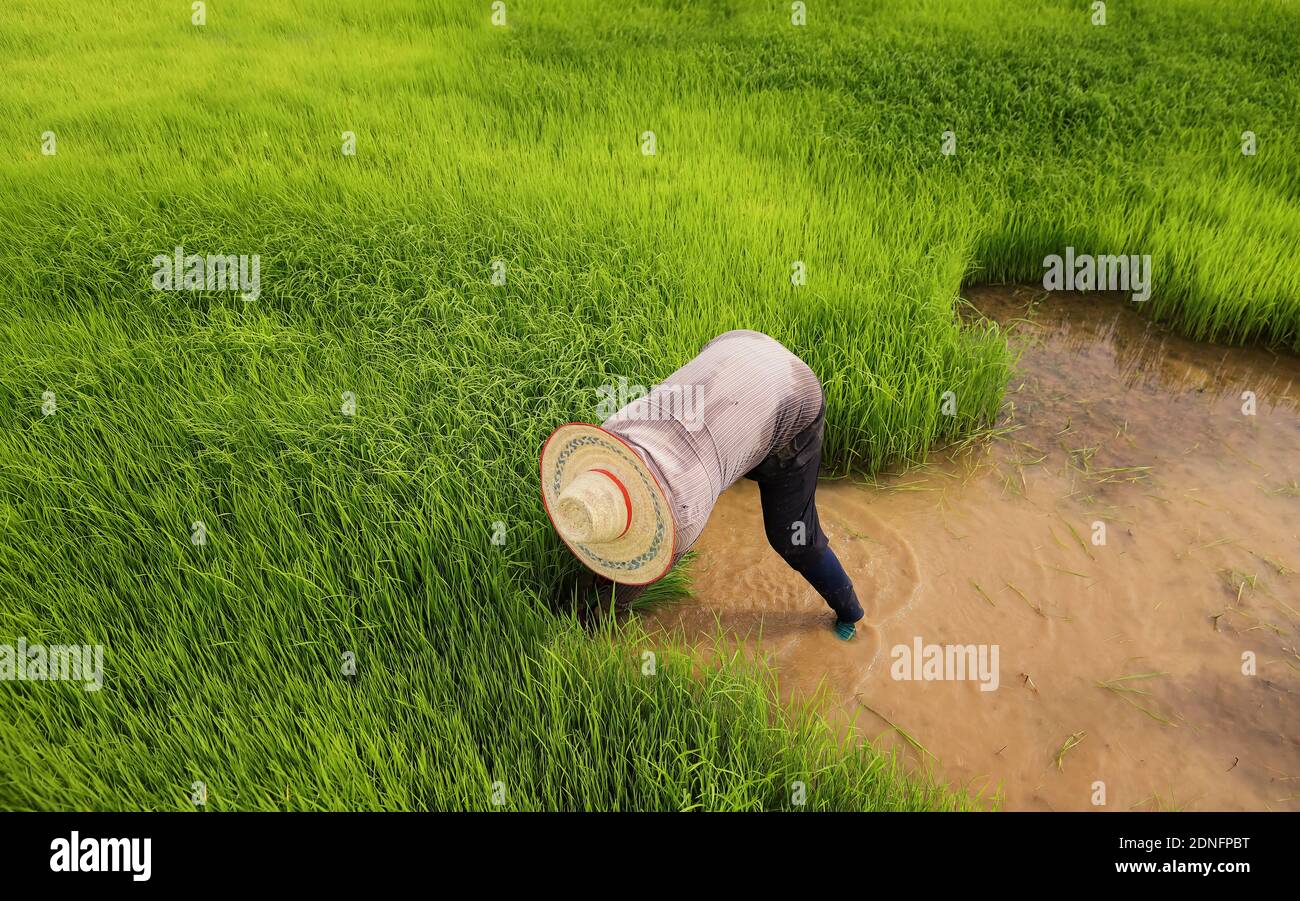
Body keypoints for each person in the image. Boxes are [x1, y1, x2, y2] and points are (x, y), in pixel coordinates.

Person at [540, 330, 865, 639]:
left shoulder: (681, 515)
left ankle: (850, 611)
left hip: (794, 397)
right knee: (726, 455)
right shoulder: (608, 437)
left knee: (793, 537)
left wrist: (593, 620)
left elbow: (626, 588)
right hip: (735, 347)